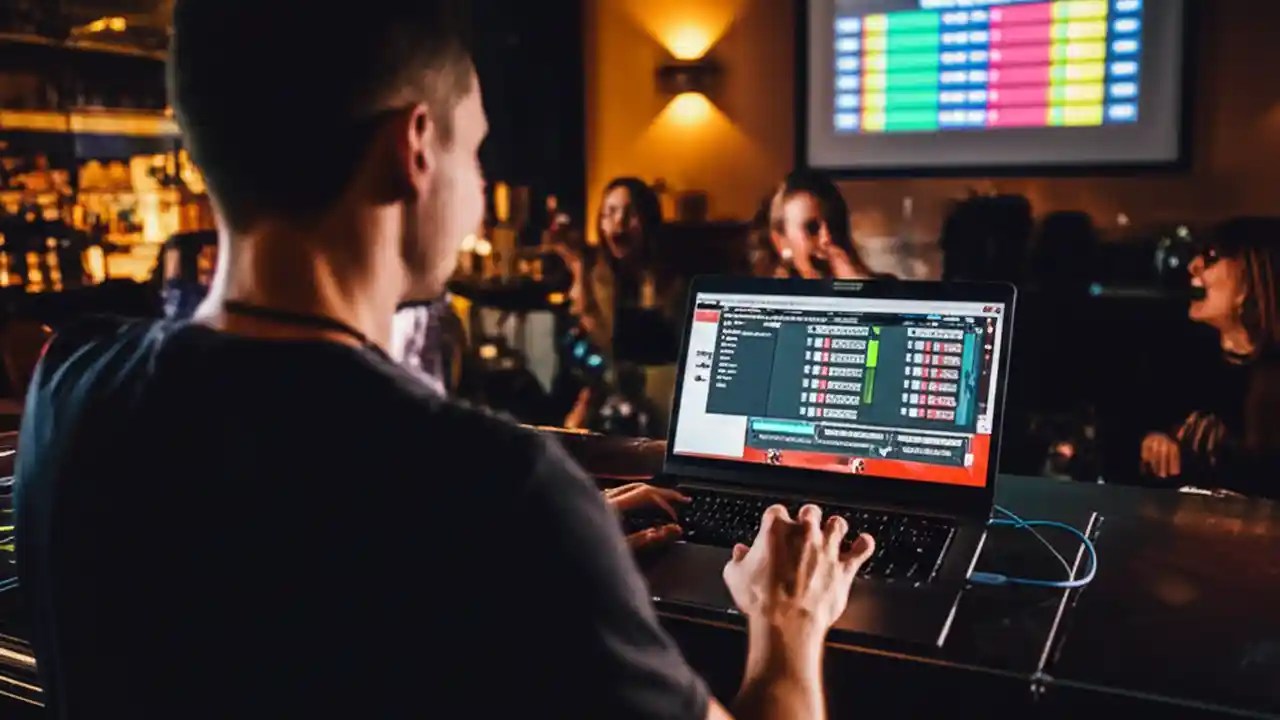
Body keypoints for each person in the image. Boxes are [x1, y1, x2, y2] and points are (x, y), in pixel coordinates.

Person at [14, 2, 875, 718]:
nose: (473, 189)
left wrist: (550, 547)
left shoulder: (72, 382)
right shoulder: (496, 497)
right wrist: (789, 622)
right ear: (415, 147)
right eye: (476, 148)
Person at [1140, 218, 1280, 497]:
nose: (1193, 266)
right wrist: (1151, 443)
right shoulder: (1180, 361)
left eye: (1211, 258)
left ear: (1252, 276)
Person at [552, 177, 684, 436]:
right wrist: (579, 275)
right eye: (609, 213)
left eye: (630, 213)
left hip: (654, 402)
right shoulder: (591, 274)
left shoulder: (671, 281)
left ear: (648, 221)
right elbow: (593, 345)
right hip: (599, 396)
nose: (619, 222)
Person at [753, 169, 887, 280]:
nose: (826, 239)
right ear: (781, 241)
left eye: (834, 223)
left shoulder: (886, 289)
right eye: (812, 228)